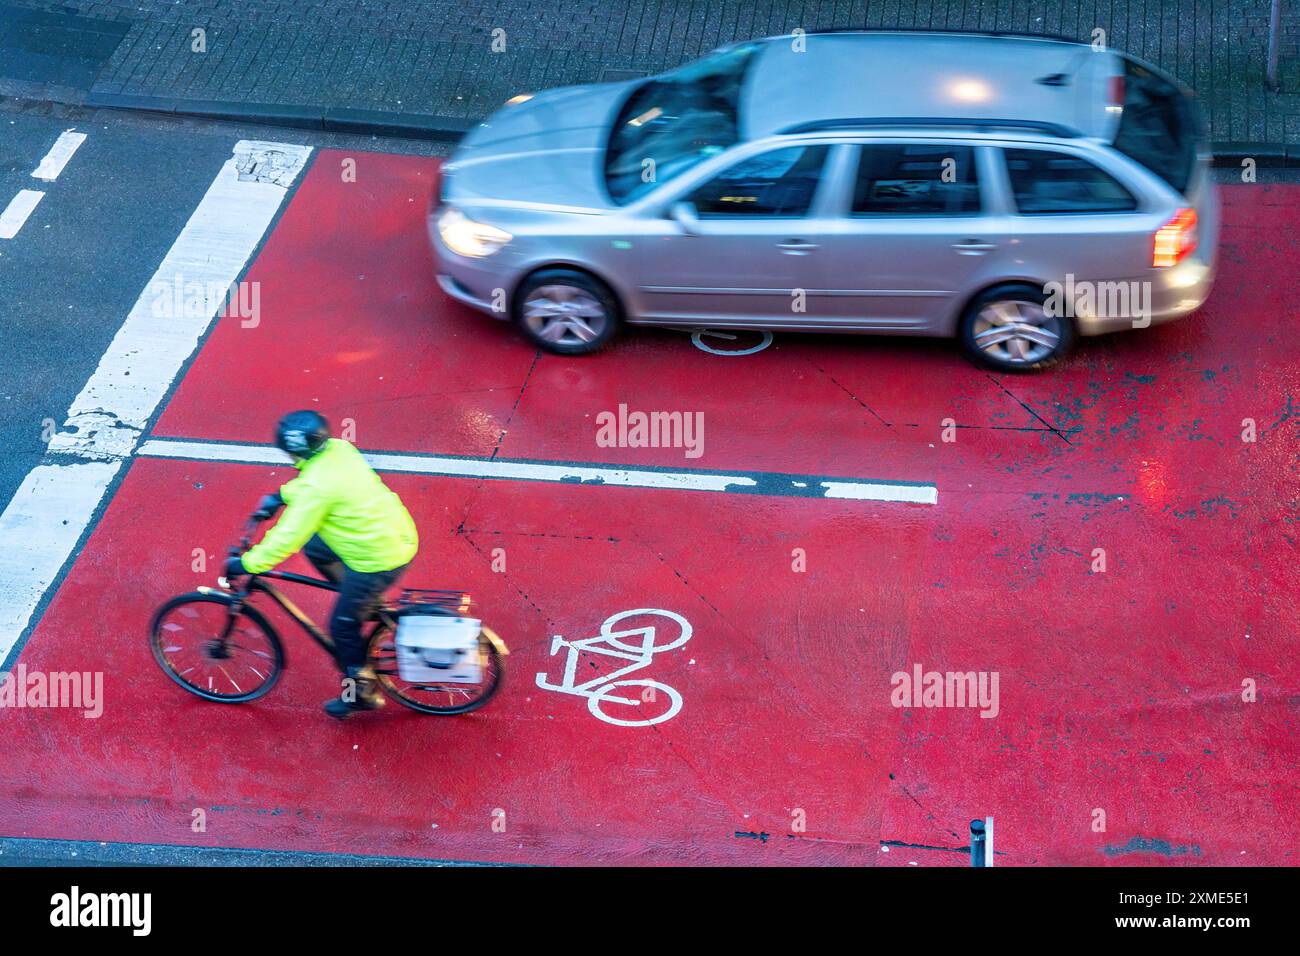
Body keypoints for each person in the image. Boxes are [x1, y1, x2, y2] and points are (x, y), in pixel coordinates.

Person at [224, 410, 418, 719]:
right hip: (394, 533)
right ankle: (363, 602)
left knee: (341, 626)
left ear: (293, 449)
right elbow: (315, 481)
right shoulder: (339, 448)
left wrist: (248, 563)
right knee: (316, 548)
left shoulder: (316, 489)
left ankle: (362, 693)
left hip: (377, 559)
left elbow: (288, 536)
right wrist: (280, 496)